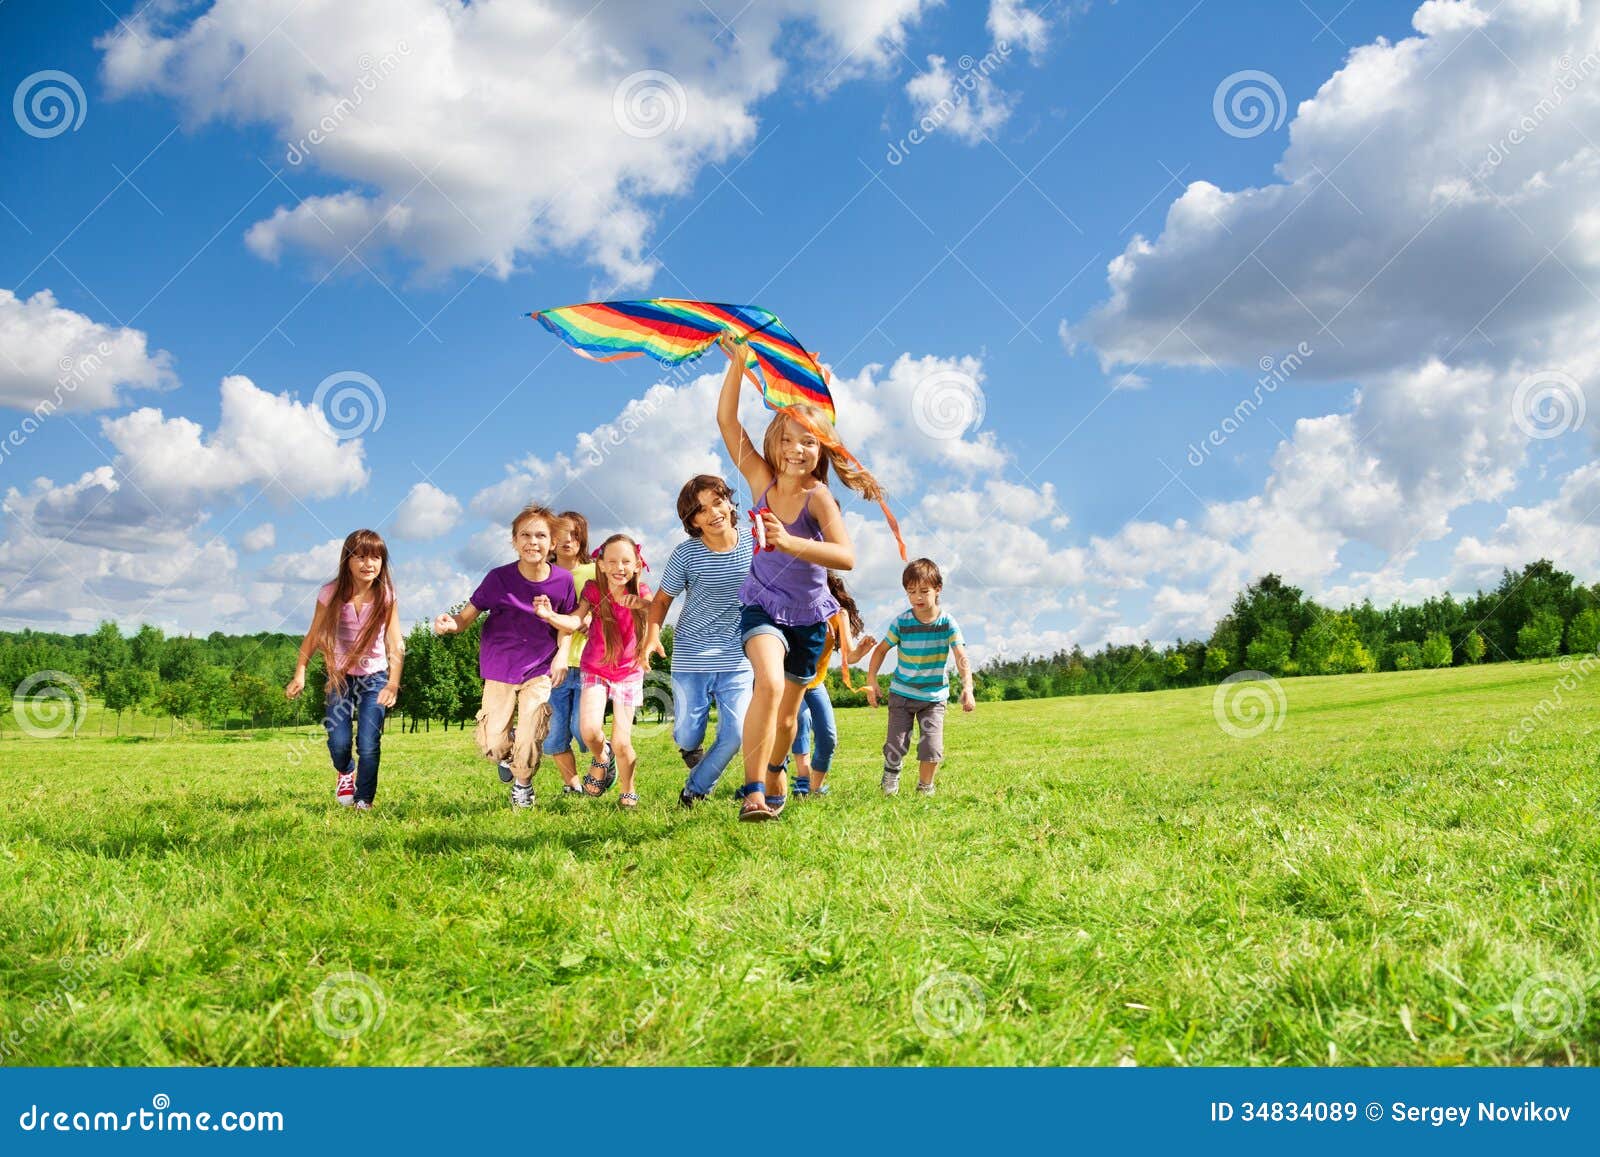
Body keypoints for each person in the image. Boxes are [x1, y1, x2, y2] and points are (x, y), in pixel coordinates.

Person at [713, 332, 884, 821]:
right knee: (765, 683)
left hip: (809, 619)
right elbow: (727, 421)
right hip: (762, 606)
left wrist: (788, 541)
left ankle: (774, 769)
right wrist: (738, 365)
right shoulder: (762, 482)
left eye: (808, 441)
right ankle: (751, 793)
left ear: (820, 449)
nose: (795, 449)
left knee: (788, 715)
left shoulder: (818, 498)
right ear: (773, 442)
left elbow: (846, 557)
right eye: (786, 440)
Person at [434, 504, 576, 809]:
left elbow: (566, 625)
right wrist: (451, 624)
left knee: (531, 730)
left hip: (539, 668)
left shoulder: (563, 581)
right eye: (525, 534)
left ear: (552, 543)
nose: (532, 541)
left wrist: (561, 656)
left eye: (541, 535)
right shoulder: (498, 579)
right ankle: (507, 754)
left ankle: (523, 787)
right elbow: (466, 617)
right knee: (494, 745)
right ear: (514, 541)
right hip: (500, 668)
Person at [643, 475, 755, 808]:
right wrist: (651, 635)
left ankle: (694, 790)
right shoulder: (686, 554)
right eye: (701, 510)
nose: (713, 513)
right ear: (692, 521)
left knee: (735, 734)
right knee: (687, 735)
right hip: (692, 657)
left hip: (737, 657)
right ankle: (690, 748)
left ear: (730, 502)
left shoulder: (755, 540)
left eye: (718, 502)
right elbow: (662, 599)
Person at [285, 529, 404, 811]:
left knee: (368, 741)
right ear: (347, 560)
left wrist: (393, 683)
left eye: (375, 557)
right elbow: (313, 635)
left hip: (375, 676)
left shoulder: (386, 595)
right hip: (340, 677)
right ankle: (345, 770)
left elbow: (394, 641)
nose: (369, 564)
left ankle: (364, 800)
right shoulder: (331, 593)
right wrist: (299, 671)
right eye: (361, 557)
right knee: (338, 742)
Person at [865, 558, 975, 797]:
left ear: (938, 589)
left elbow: (961, 656)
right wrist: (871, 679)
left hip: (933, 697)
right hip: (902, 694)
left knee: (932, 746)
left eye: (924, 591)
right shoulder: (902, 622)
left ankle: (925, 787)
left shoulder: (947, 623)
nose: (918, 597)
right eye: (911, 592)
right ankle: (890, 779)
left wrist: (968, 687)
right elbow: (881, 649)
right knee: (896, 743)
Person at [565, 534, 652, 809]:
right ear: (600, 564)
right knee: (589, 730)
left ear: (637, 564)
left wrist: (640, 605)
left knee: (622, 742)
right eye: (611, 561)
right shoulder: (592, 590)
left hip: (628, 672)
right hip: (595, 668)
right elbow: (577, 617)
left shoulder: (642, 592)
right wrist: (552, 617)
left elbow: (654, 609)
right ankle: (602, 757)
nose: (619, 567)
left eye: (626, 561)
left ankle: (628, 787)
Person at [789, 572, 875, 798]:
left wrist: (862, 650)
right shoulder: (792, 605)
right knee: (801, 720)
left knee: (828, 736)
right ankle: (802, 780)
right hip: (789, 680)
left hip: (816, 683)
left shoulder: (839, 614)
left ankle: (816, 788)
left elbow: (850, 656)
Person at [541, 510, 595, 795]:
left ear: (582, 538)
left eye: (574, 534)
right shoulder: (544, 574)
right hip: (554, 664)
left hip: (588, 661)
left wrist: (591, 618)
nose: (567, 540)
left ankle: (604, 759)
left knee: (581, 729)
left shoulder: (594, 571)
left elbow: (611, 608)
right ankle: (573, 785)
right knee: (553, 738)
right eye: (560, 534)